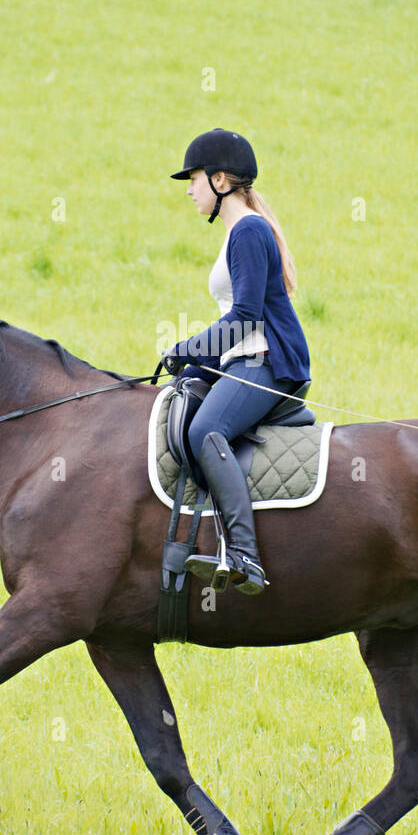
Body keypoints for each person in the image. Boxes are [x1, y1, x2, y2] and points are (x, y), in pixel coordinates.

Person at [162, 128, 310, 596]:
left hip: (264, 364)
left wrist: (186, 347)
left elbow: (245, 317)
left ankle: (244, 555)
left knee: (205, 432)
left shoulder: (248, 230)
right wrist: (193, 367)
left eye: (194, 179)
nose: (189, 189)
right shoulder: (239, 232)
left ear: (220, 179)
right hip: (242, 359)